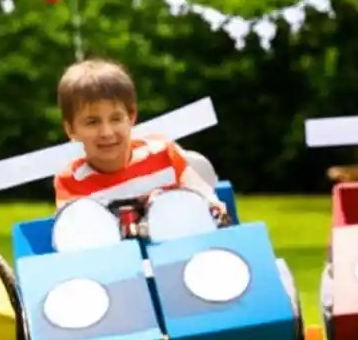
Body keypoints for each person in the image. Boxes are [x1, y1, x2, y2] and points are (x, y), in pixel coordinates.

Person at [52, 58, 227, 221]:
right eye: (92, 122)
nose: (106, 132)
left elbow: (205, 198)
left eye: (116, 119)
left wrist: (211, 205)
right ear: (71, 129)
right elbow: (73, 231)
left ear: (131, 117)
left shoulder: (162, 153)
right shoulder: (71, 182)